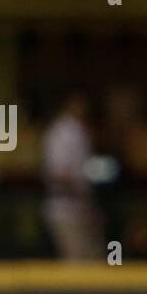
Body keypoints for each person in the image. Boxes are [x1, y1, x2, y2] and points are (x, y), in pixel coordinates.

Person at [41, 92, 102, 260]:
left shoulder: (78, 130)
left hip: (81, 207)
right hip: (64, 207)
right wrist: (80, 193)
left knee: (92, 260)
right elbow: (58, 173)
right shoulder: (61, 132)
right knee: (76, 262)